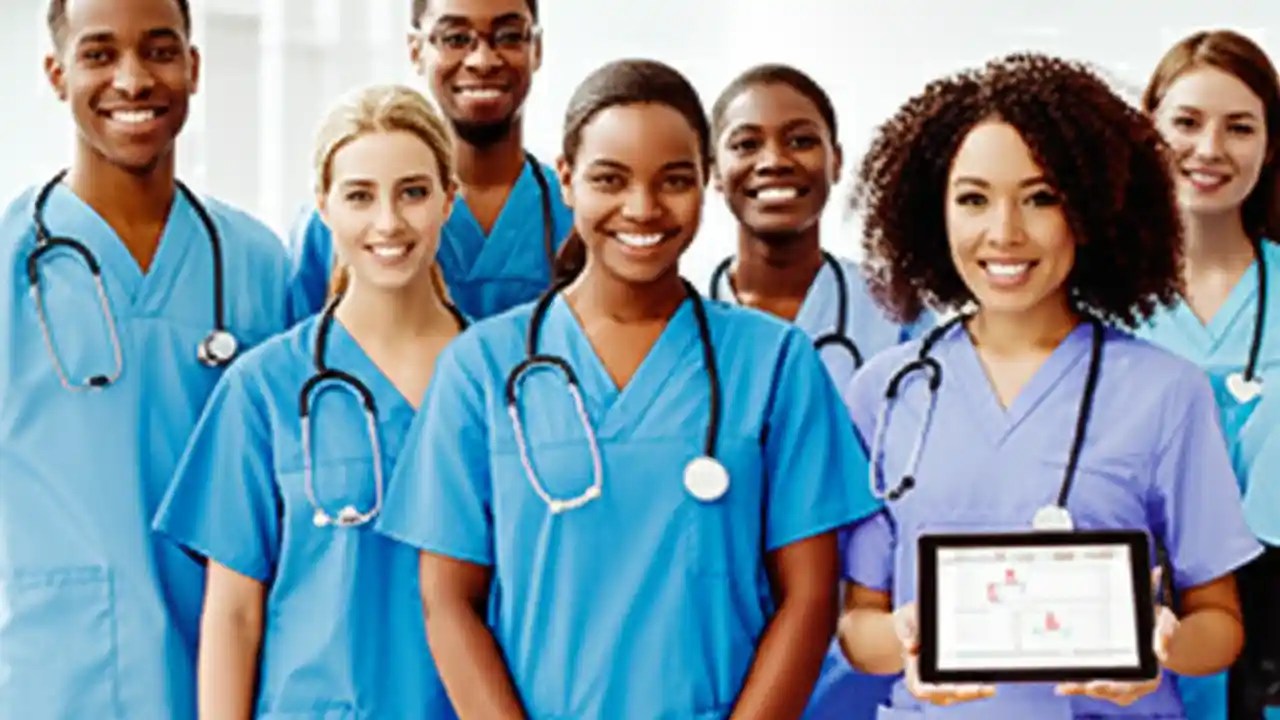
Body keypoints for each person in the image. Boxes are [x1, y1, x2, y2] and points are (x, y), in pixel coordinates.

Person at [373, 58, 880, 719]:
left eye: (674, 181)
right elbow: (448, 599)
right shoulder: (481, 369)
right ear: (567, 181)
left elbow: (810, 598)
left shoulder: (775, 363)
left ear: (705, 184)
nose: (642, 208)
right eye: (610, 180)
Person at [836, 53, 1260, 719]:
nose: (1004, 233)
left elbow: (1220, 626)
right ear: (932, 210)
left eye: (1041, 198)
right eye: (973, 199)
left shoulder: (1165, 392)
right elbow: (861, 626)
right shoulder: (885, 392)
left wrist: (1159, 648)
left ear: (1090, 209)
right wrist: (905, 639)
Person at [0, 0, 292, 717]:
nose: (133, 80)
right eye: (99, 54)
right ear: (55, 72)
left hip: (220, 665)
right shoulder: (11, 260)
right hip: (52, 673)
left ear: (193, 67)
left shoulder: (256, 263)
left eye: (160, 51)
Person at [152, 84, 467, 718]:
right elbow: (234, 615)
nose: (388, 222)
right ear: (323, 205)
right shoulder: (265, 388)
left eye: (413, 192)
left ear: (447, 199)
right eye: (359, 196)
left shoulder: (500, 378)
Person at [707, 63, 919, 720]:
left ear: (836, 160)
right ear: (713, 170)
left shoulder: (906, 320)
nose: (774, 160)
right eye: (745, 143)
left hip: (864, 659)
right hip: (721, 649)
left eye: (800, 140)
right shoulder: (678, 327)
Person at [1138, 29, 1280, 720]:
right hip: (1140, 653)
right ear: (1148, 131)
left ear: (1271, 144)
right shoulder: (1097, 306)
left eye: (1240, 127)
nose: (1210, 150)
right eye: (1187, 123)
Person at [286, 0, 572, 321]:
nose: (482, 60)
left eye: (508, 36)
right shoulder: (335, 223)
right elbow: (300, 355)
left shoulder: (575, 215)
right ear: (415, 50)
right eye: (454, 38)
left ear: (537, 49)